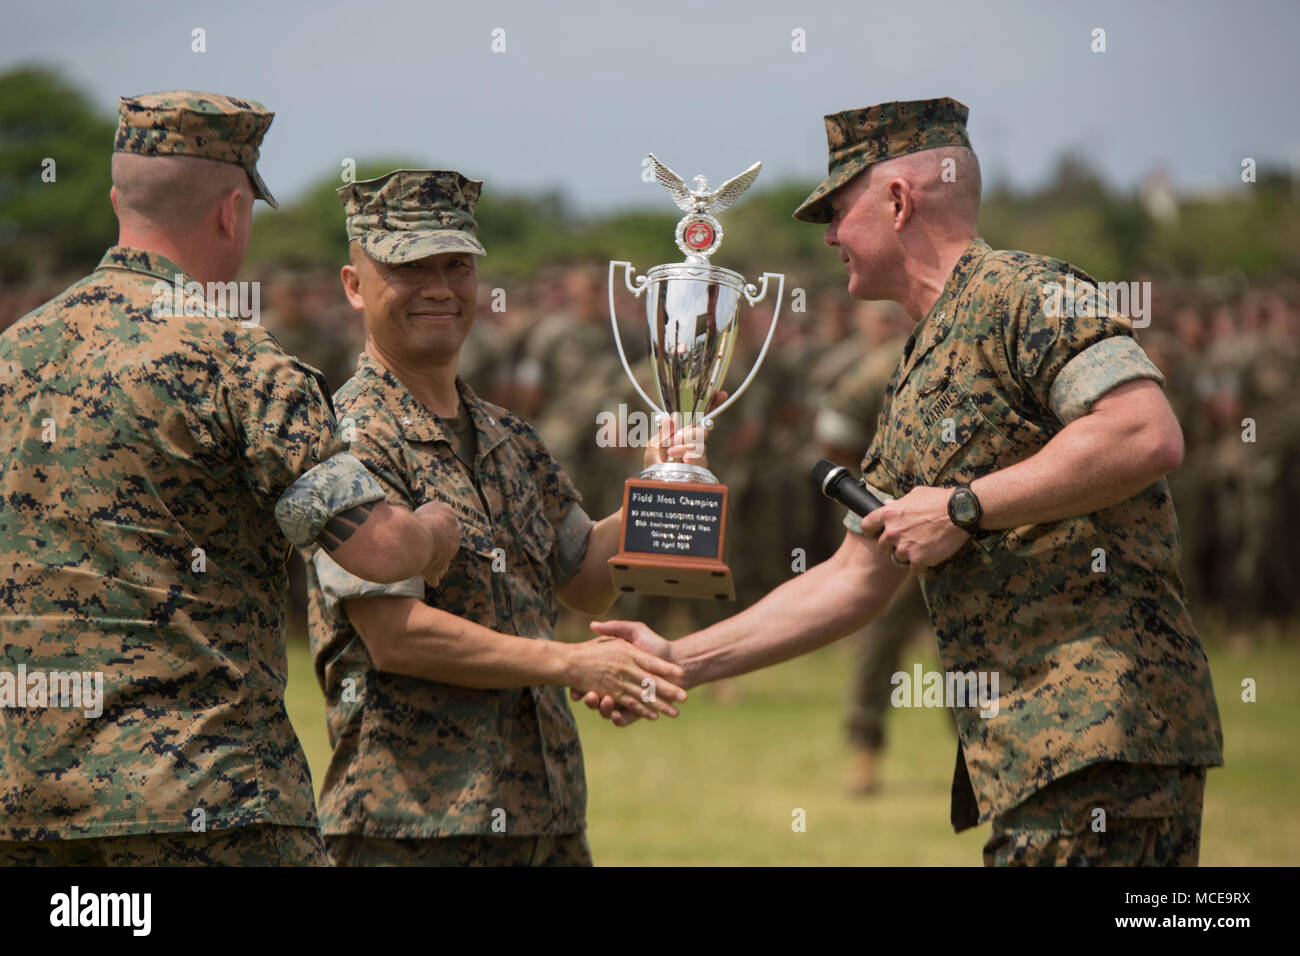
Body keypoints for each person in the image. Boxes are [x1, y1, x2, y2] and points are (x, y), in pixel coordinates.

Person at [584, 97, 1224, 866]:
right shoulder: (918, 368)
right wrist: (675, 661)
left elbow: (1143, 432)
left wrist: (965, 505)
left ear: (896, 201)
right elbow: (856, 576)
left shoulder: (1026, 293)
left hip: (1104, 735)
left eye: (837, 211)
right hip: (1032, 751)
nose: (828, 237)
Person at [0, 92, 458, 866]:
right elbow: (375, 551)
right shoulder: (237, 362)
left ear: (118, 201)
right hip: (208, 801)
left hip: (26, 804)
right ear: (231, 213)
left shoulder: (12, 356)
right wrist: (434, 534)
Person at [304, 169, 704, 866]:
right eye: (409, 267)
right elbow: (394, 636)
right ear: (353, 284)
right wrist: (572, 663)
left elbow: (584, 578)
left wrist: (663, 483)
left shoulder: (506, 436)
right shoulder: (344, 439)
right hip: (412, 828)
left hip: (543, 815)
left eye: (456, 265)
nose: (438, 288)